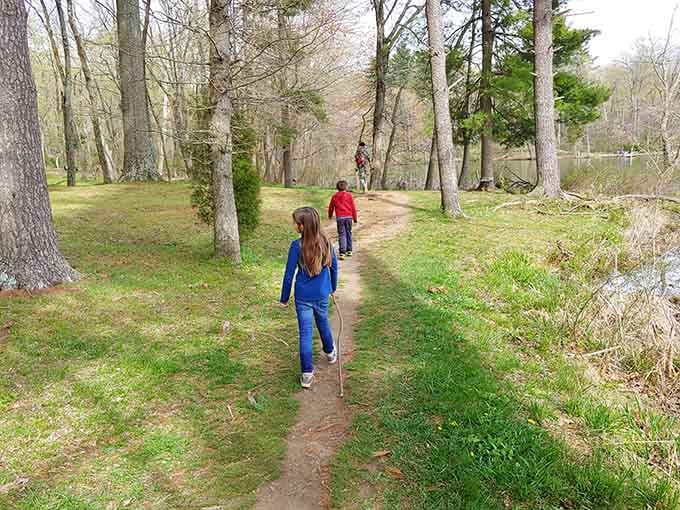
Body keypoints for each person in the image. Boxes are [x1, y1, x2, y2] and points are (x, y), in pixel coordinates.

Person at [280, 207, 338, 388]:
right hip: (321, 294)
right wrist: (332, 287)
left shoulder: (295, 246)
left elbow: (289, 274)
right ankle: (330, 353)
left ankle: (307, 374)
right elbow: (334, 267)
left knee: (305, 333)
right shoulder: (326, 241)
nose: (294, 225)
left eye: (296, 223)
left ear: (303, 226)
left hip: (303, 297)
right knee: (323, 323)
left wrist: (284, 298)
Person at [328, 180, 357, 260]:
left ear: (337, 188)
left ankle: (342, 252)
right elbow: (353, 207)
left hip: (340, 218)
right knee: (349, 233)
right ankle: (349, 250)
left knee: (342, 234)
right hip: (349, 217)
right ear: (346, 187)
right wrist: (355, 218)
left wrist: (330, 215)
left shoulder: (334, 196)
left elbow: (331, 207)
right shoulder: (349, 196)